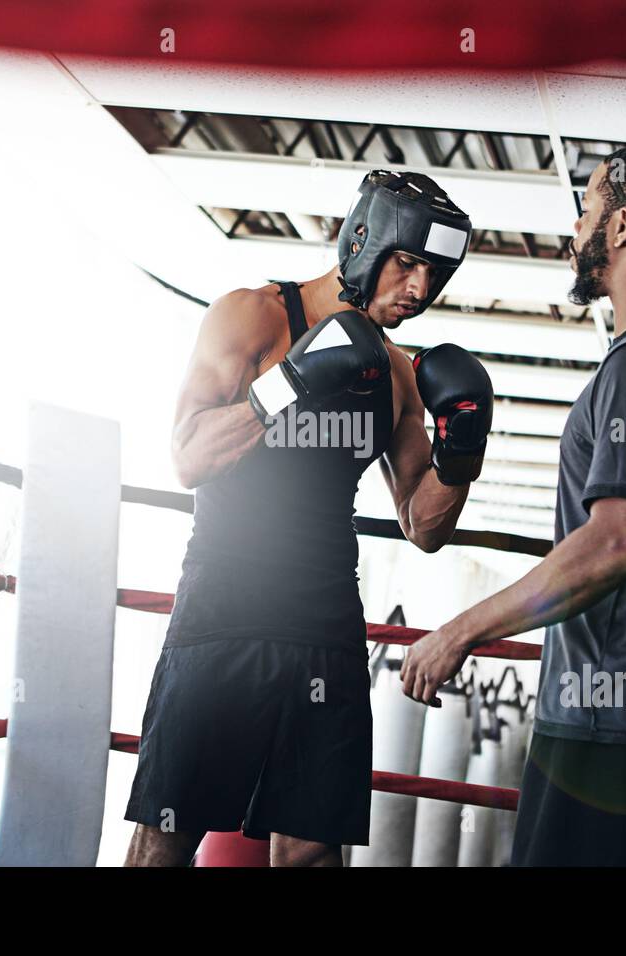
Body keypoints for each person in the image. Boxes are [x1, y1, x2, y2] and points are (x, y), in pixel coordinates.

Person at [124, 170, 494, 867]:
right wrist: (288, 383)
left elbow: (425, 524)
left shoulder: (398, 375)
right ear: (362, 240)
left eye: (435, 274)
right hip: (224, 606)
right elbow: (187, 458)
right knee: (166, 835)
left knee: (312, 852)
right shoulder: (253, 316)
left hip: (324, 622)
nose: (419, 289)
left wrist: (463, 452)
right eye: (407, 263)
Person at [401, 143, 626, 866]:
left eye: (586, 209)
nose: (576, 230)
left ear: (620, 227)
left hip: (608, 728)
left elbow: (616, 541)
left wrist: (458, 632)